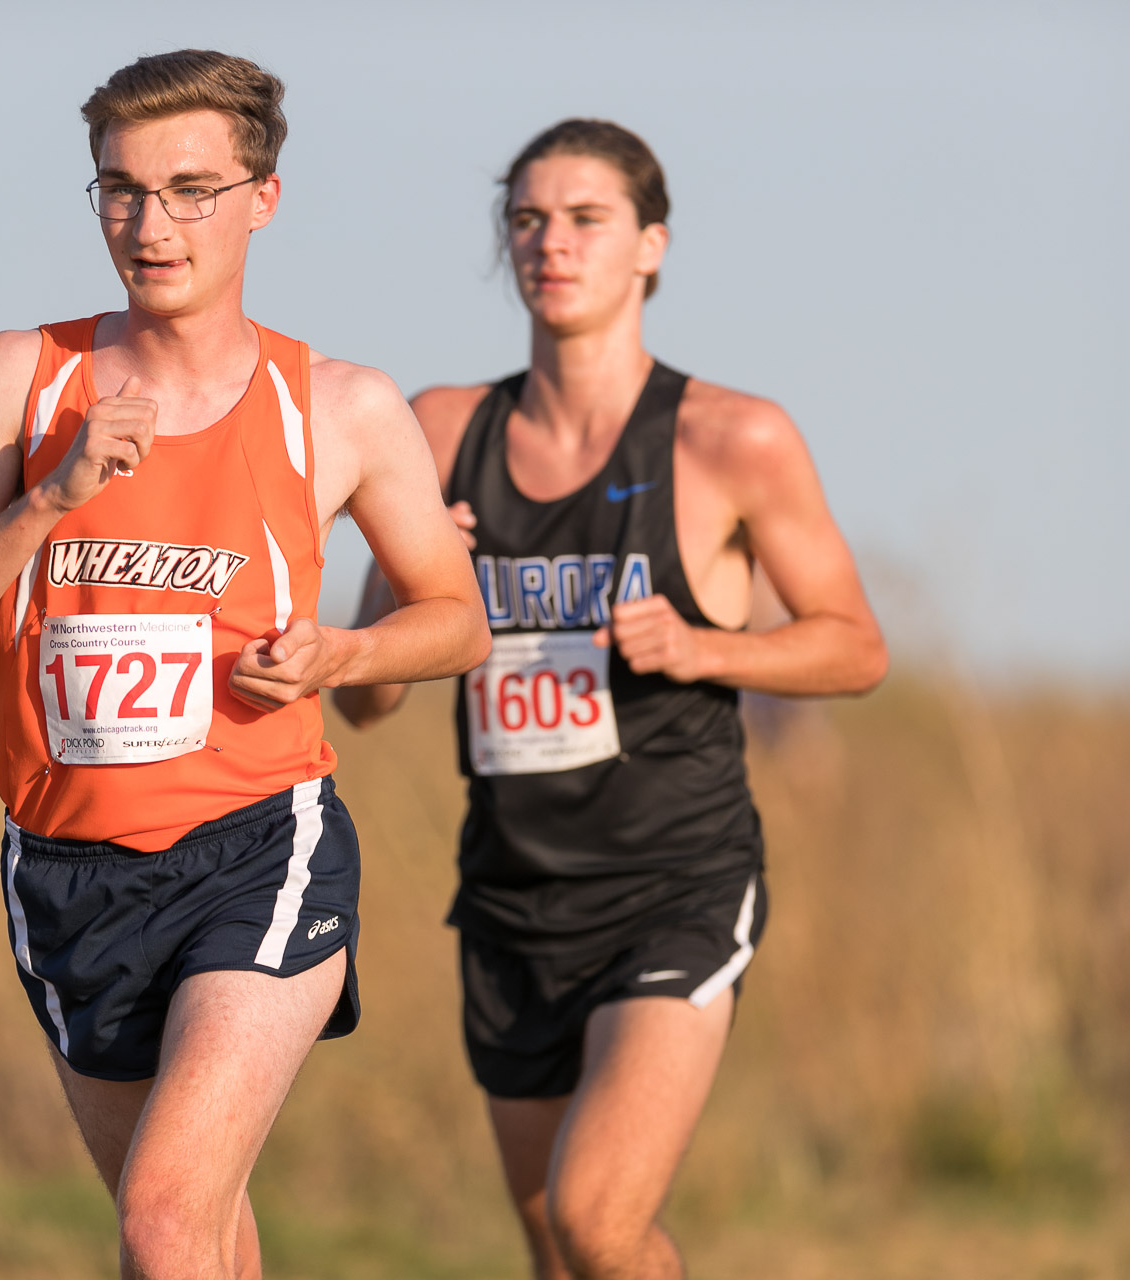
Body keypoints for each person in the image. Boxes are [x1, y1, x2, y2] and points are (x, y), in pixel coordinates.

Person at [0, 50, 488, 1280]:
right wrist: (51, 499)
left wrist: (342, 651)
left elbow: (453, 615)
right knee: (199, 1234)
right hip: (67, 871)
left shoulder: (343, 406)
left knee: (160, 1215)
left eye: (191, 189)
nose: (151, 225)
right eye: (121, 190)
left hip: (260, 843)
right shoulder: (22, 377)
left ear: (264, 196)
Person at [334, 119, 888, 1280]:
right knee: (552, 1246)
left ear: (651, 245)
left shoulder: (732, 436)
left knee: (598, 1216)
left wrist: (702, 646)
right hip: (510, 894)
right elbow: (367, 708)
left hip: (673, 885)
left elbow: (853, 648)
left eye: (587, 218)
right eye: (528, 220)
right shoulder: (440, 430)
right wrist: (403, 580)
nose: (553, 243)